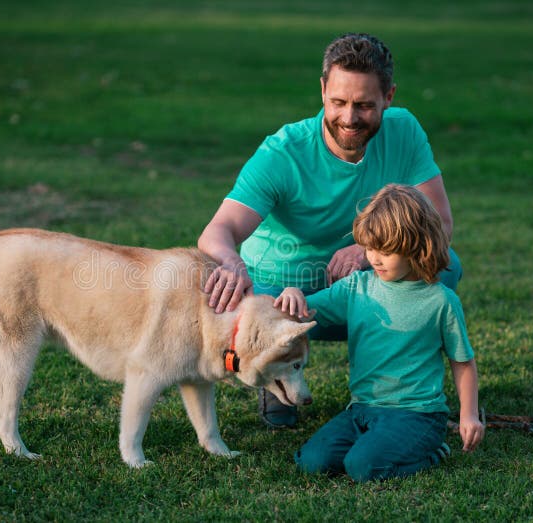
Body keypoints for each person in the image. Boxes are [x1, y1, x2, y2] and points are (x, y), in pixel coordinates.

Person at [197, 32, 462, 428]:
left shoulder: (404, 130)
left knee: (444, 265)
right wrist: (232, 262)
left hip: (360, 273)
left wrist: (363, 248)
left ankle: (400, 386)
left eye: (364, 105)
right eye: (338, 102)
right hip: (281, 286)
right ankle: (278, 374)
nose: (349, 118)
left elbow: (440, 223)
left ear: (389, 96)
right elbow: (219, 229)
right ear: (322, 90)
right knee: (260, 297)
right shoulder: (283, 152)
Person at [275, 184, 483, 482]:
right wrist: (293, 292)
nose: (374, 258)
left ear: (417, 245)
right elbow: (302, 310)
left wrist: (468, 415)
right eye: (369, 248)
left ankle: (433, 452)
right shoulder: (357, 287)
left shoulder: (441, 301)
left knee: (363, 467)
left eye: (386, 251)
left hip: (417, 415)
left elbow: (462, 362)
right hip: (362, 409)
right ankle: (374, 444)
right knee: (312, 462)